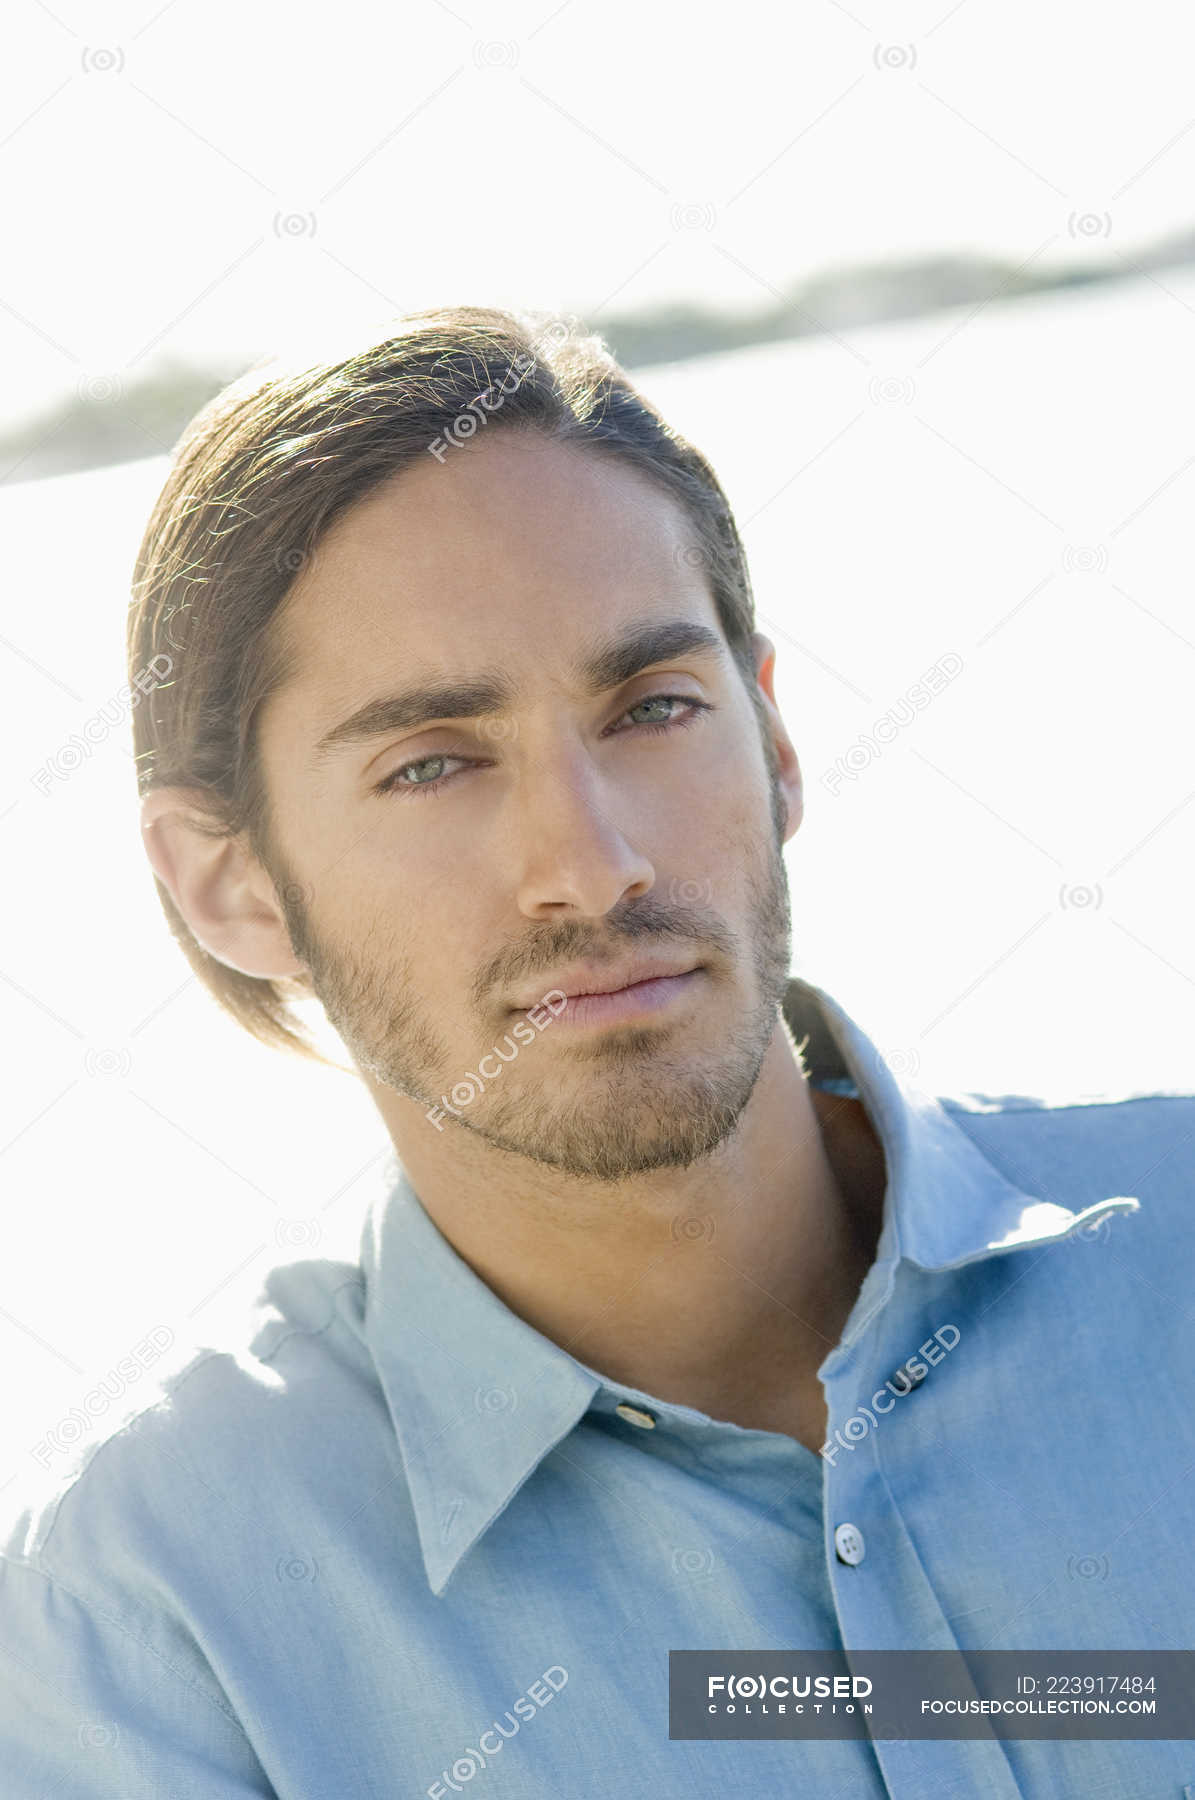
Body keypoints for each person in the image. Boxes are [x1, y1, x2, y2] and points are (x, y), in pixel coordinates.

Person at [1, 305, 1191, 1798]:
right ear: (232, 886)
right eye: (433, 764)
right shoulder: (145, 1632)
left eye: (654, 709)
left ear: (773, 743)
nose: (594, 861)